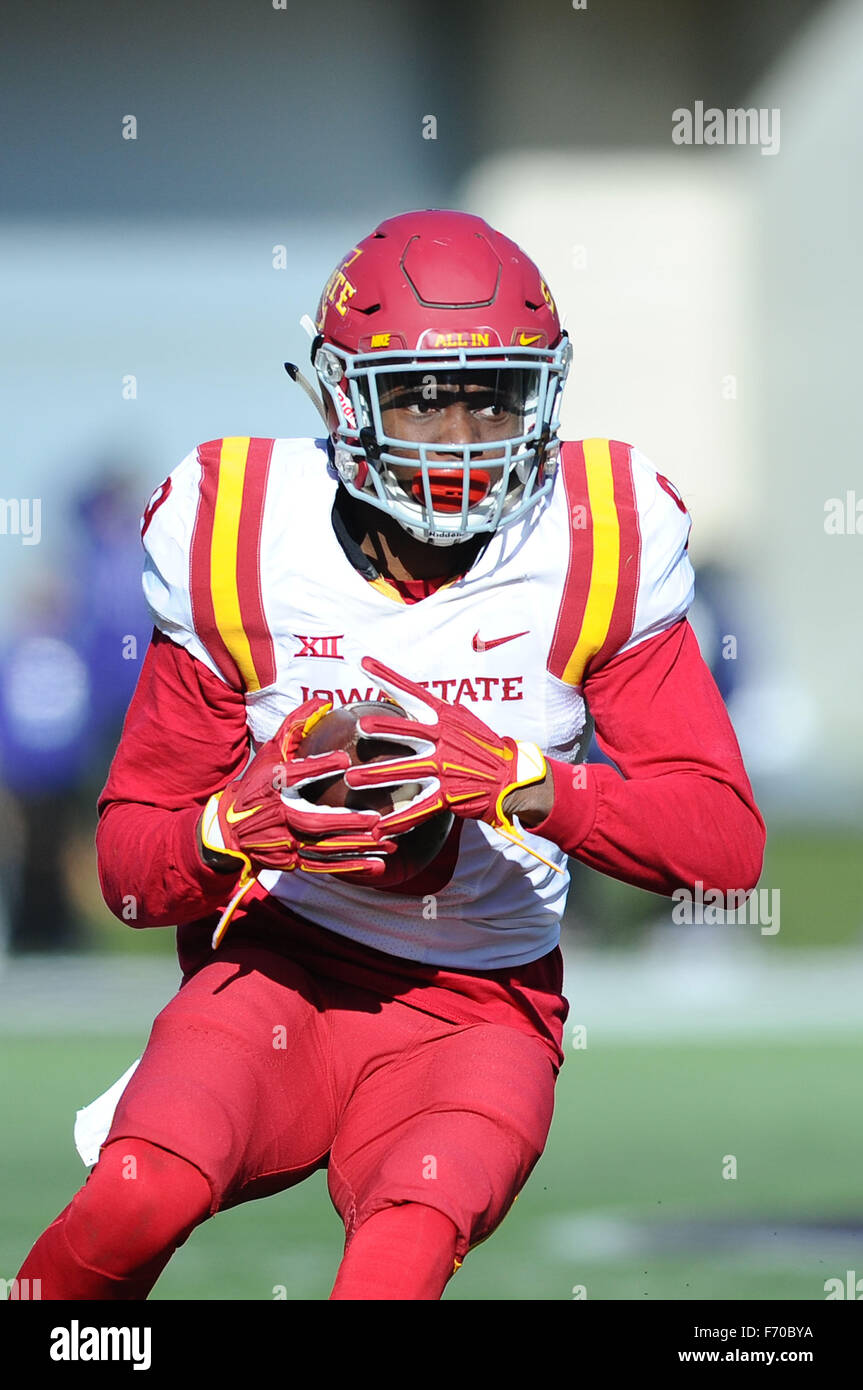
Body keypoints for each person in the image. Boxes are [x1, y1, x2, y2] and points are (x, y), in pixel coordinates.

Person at [15, 208, 765, 1301]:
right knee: (138, 1196)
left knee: (395, 1264)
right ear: (340, 399)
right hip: (280, 972)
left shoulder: (596, 535)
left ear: (542, 396)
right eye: (420, 395)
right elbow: (131, 873)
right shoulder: (238, 533)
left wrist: (529, 785)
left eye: (492, 395)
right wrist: (231, 829)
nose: (460, 435)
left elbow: (724, 849)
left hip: (479, 1003)